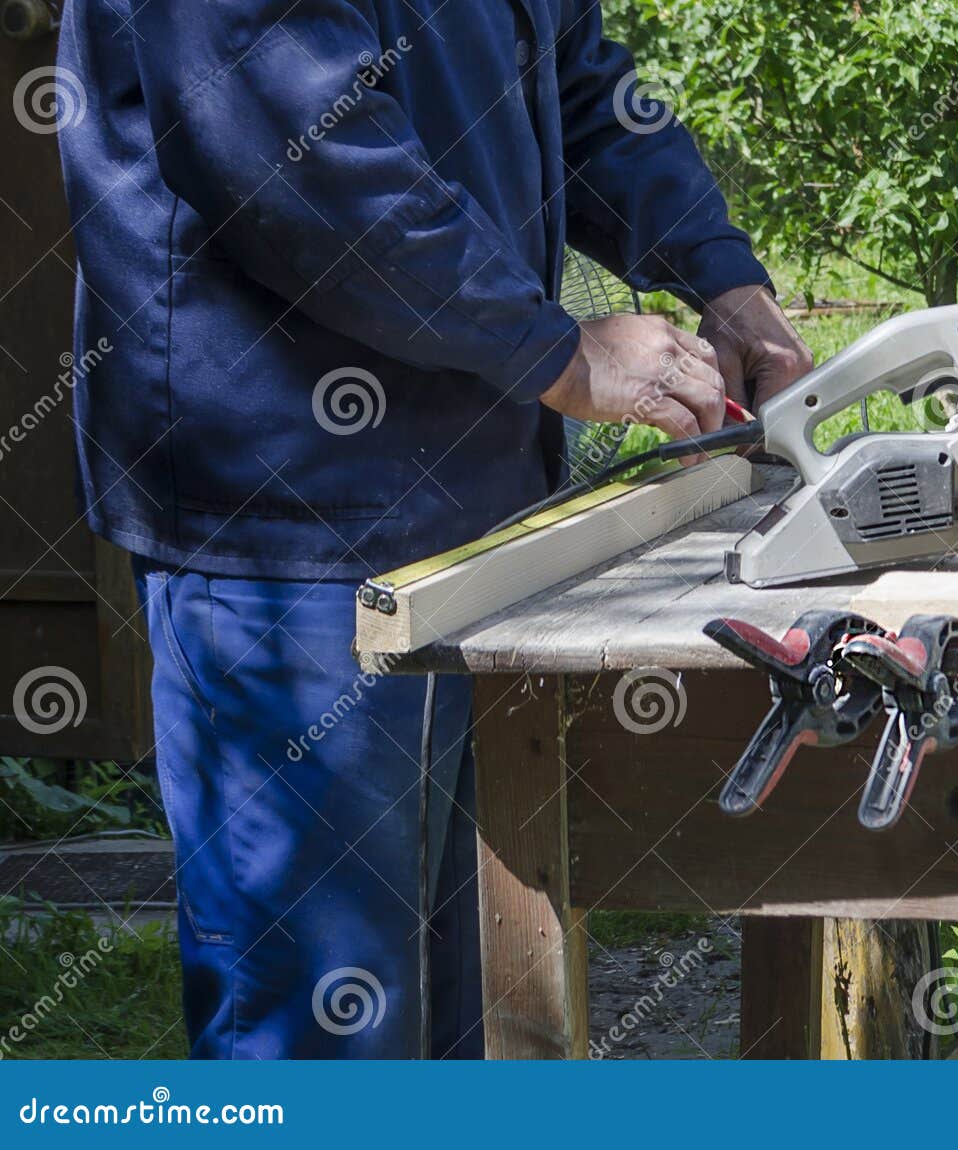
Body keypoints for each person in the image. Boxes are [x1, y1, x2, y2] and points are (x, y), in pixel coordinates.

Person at [57, 0, 811, 1058]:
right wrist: (556, 352)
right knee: (325, 1021)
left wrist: (719, 275)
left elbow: (578, 85)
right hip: (291, 521)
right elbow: (301, 155)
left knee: (473, 1007)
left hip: (477, 505)